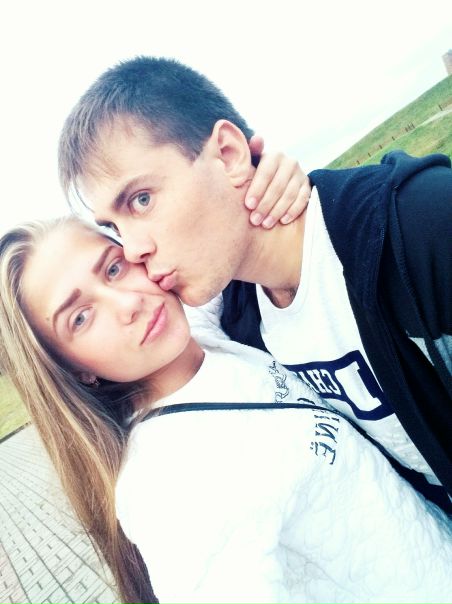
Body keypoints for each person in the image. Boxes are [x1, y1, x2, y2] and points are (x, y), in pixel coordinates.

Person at [58, 56, 452, 505]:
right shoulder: (238, 323)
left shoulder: (418, 230)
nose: (132, 250)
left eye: (141, 200)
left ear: (228, 154)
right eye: (113, 227)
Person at [0, 216, 450, 604]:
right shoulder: (164, 486)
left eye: (114, 268)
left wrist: (267, 179)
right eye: (80, 317)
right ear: (74, 370)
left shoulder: (197, 334)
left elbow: (221, 233)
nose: (129, 302)